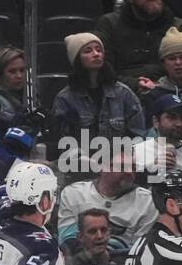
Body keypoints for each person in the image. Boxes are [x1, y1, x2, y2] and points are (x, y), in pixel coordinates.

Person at [50, 33, 147, 176]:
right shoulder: (65, 99)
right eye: (88, 51)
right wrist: (84, 161)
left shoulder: (124, 94)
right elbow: (62, 141)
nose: (96, 54)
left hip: (120, 172)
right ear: (76, 59)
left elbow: (138, 137)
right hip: (81, 174)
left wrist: (122, 162)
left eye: (99, 50)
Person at [94, 0, 182, 93]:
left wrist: (161, 85)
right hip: (123, 93)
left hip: (171, 92)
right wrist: (134, 84)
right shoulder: (109, 24)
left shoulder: (179, 27)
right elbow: (103, 69)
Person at [57, 152, 158, 255]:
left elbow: (140, 249)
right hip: (78, 261)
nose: (129, 172)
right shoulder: (73, 193)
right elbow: (67, 240)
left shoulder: (148, 201)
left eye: (133, 167)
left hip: (123, 264)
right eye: (122, 167)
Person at [132, 91, 182, 178]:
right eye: (172, 117)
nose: (179, 124)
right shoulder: (137, 152)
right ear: (156, 121)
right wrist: (152, 169)